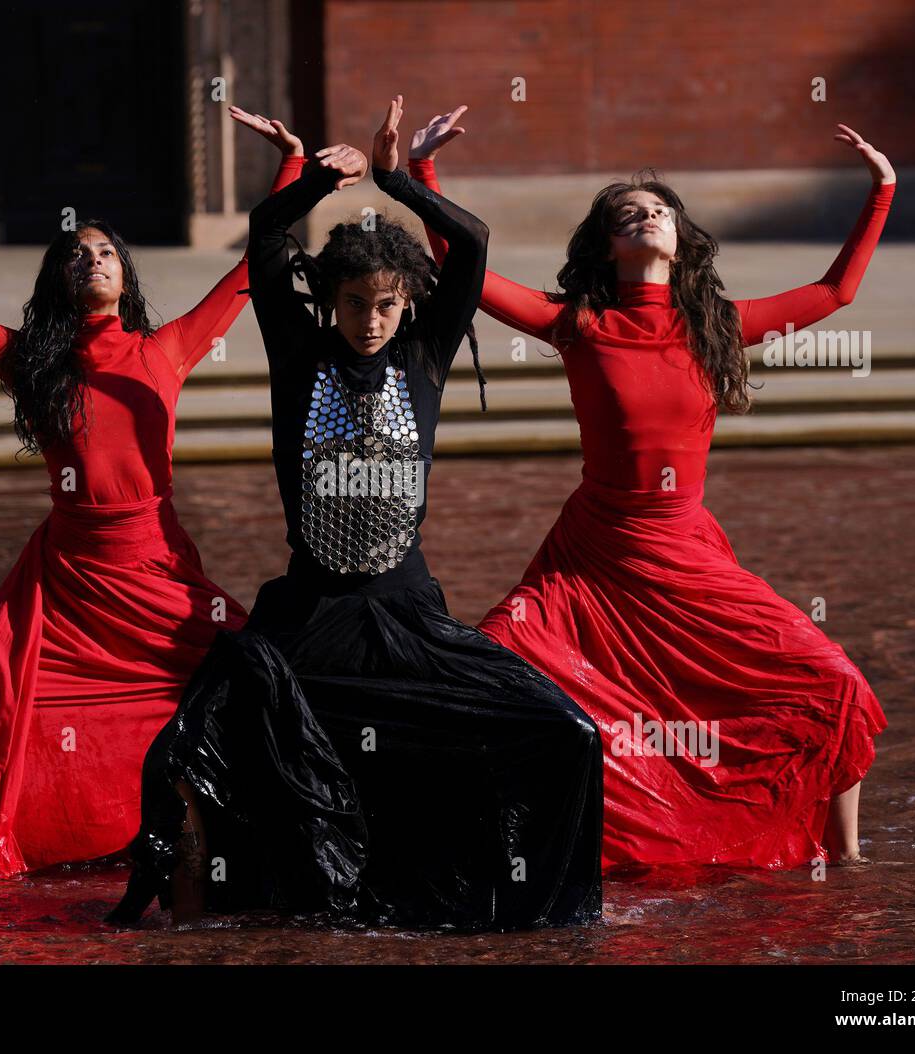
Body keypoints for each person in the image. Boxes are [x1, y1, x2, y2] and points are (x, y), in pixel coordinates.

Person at [108, 98, 603, 931]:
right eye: (352, 304)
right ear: (328, 302)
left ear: (408, 300)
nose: (368, 321)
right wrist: (310, 180)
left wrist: (400, 182)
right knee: (186, 752)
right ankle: (199, 928)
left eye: (383, 304)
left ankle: (536, 918)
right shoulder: (298, 358)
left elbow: (473, 244)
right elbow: (266, 238)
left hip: (407, 612)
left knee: (566, 733)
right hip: (310, 613)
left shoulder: (425, 355)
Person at [408, 111, 892, 871]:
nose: (647, 216)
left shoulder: (717, 327)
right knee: (494, 664)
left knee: (831, 680)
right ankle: (502, 849)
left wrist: (882, 187)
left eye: (659, 209)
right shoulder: (580, 324)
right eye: (628, 213)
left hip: (685, 548)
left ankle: (846, 862)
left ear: (680, 236)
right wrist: (422, 173)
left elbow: (837, 293)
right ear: (607, 244)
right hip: (593, 555)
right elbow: (460, 264)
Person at [0, 118, 305, 879]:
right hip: (65, 582)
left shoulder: (166, 350)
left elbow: (253, 268)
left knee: (266, 678)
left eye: (104, 253)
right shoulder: (28, 363)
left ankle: (240, 842)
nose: (91, 261)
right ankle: (14, 855)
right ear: (58, 279)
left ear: (124, 274)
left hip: (155, 570)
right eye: (75, 255)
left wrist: (290, 165)